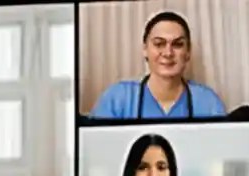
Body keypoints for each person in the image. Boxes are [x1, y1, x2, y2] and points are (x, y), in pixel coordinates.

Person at [88, 11, 227, 120]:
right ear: (145, 50)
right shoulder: (117, 99)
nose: (168, 53)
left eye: (178, 44)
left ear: (188, 52)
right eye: (159, 43)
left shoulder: (208, 102)